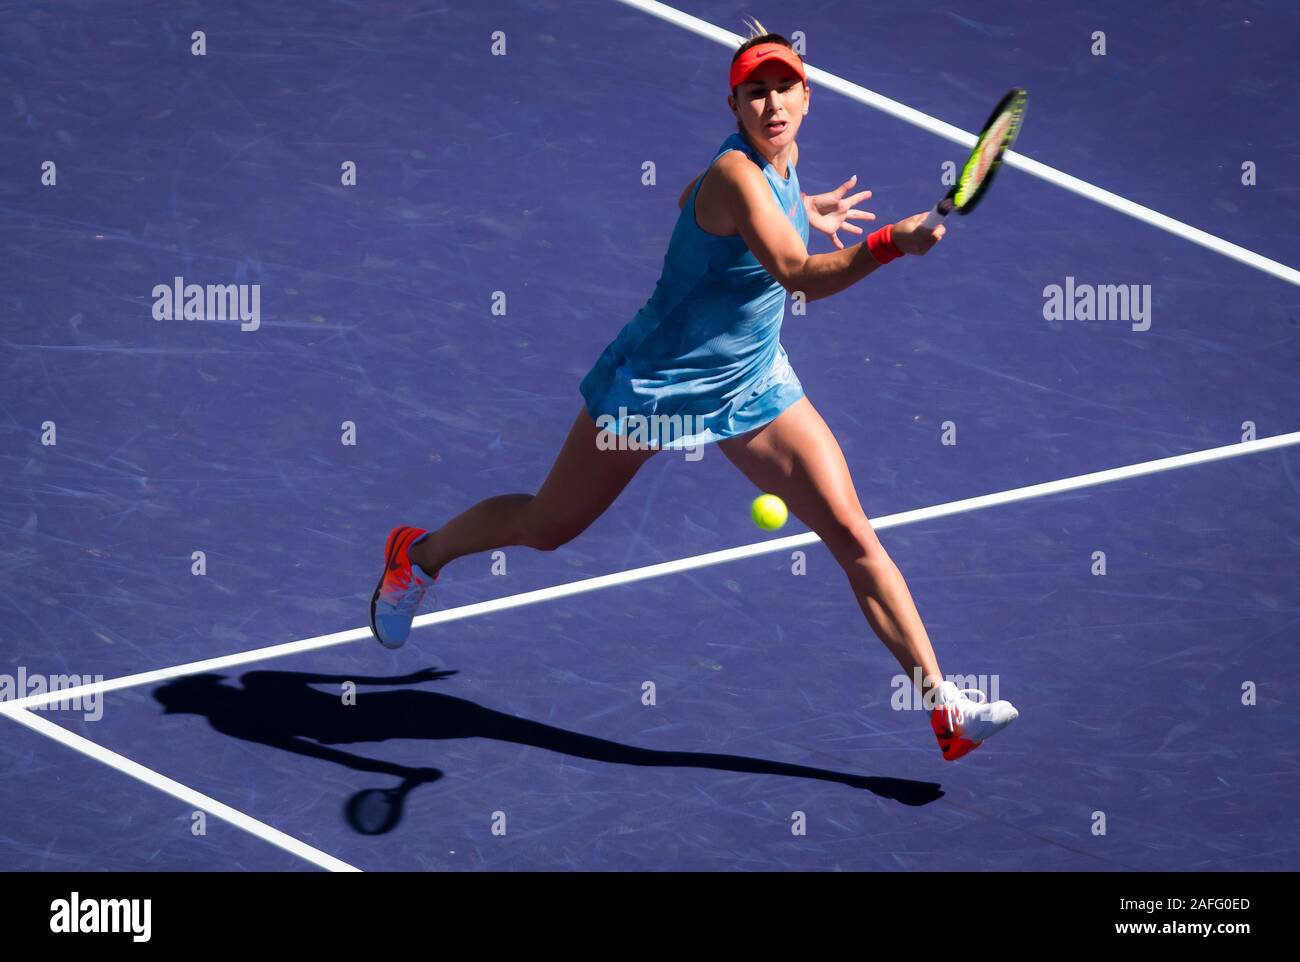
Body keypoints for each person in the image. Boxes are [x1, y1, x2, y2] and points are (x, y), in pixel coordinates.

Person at [370, 19, 1017, 762]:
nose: (772, 106)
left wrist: (801, 212)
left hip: (751, 382)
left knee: (850, 533)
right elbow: (799, 276)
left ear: (807, 98)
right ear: (734, 106)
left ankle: (943, 708)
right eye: (755, 94)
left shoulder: (780, 161)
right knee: (547, 526)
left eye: (785, 89)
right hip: (655, 388)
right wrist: (885, 245)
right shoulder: (738, 175)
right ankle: (418, 555)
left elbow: (690, 199)